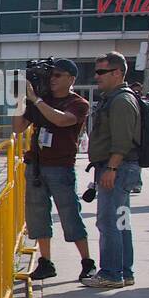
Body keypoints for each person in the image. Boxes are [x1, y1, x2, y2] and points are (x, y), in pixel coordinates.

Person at [12, 58, 94, 282]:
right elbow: (18, 128)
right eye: (51, 75)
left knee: (70, 215)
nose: (53, 79)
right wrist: (20, 100)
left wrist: (36, 100)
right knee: (37, 216)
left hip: (60, 167)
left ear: (71, 79)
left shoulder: (78, 103)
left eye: (58, 75)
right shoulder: (40, 101)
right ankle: (46, 262)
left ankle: (87, 262)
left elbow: (62, 120)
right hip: (37, 166)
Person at [82, 52, 142, 289]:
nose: (96, 77)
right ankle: (123, 271)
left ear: (117, 73)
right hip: (119, 168)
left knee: (109, 222)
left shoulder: (121, 101)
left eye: (101, 72)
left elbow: (122, 140)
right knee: (121, 222)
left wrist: (111, 167)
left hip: (116, 169)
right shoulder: (116, 98)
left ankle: (111, 273)